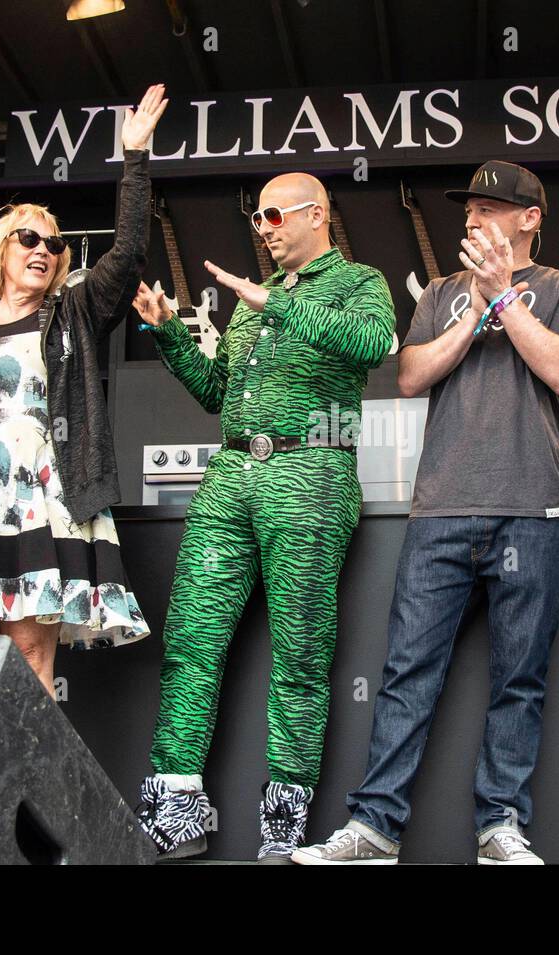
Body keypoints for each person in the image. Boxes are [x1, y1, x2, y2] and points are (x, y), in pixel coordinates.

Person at [293, 161, 559, 866]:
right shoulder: (437, 292)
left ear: (530, 218)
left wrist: (506, 299)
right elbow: (409, 375)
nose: (472, 216)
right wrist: (475, 311)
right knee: (407, 672)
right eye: (468, 207)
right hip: (441, 509)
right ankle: (374, 829)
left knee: (519, 678)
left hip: (532, 506)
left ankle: (500, 828)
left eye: (491, 205)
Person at [131, 173, 396, 863]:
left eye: (275, 215)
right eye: (258, 218)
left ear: (318, 214)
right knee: (191, 635)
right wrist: (168, 336)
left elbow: (374, 344)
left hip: (311, 471)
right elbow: (216, 390)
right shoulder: (257, 298)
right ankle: (176, 804)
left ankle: (284, 822)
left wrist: (275, 308)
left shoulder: (359, 280)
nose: (264, 227)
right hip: (230, 474)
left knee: (300, 655)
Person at [0, 87, 169, 696]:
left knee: (27, 659)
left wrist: (134, 154)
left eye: (54, 244)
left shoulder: (72, 311)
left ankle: (24, 794)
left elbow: (126, 255)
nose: (44, 251)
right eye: (29, 240)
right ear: (0, 251)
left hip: (41, 495)